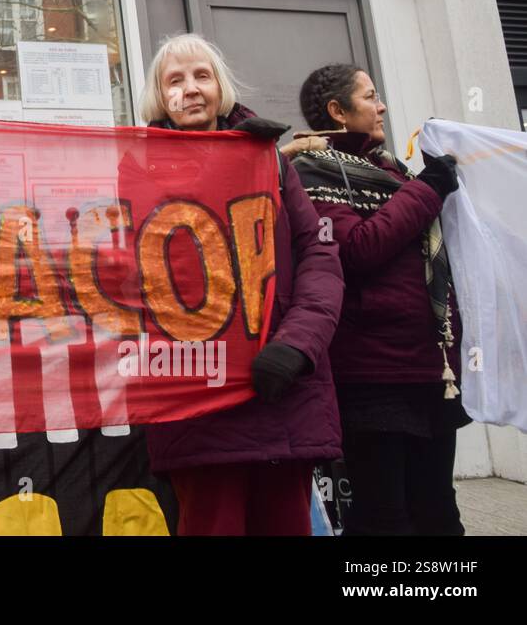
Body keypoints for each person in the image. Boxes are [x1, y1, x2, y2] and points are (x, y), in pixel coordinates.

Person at [136, 34, 344, 535]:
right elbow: (125, 278)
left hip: (280, 390)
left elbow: (319, 252)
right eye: (175, 81)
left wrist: (297, 345)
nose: (190, 89)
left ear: (221, 87)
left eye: (202, 76)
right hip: (194, 396)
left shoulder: (269, 162)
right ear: (159, 97)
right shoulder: (136, 168)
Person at [287, 64, 468, 535]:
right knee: (386, 517)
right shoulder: (311, 170)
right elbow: (358, 248)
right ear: (337, 111)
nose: (382, 105)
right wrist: (428, 189)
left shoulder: (391, 170)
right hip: (372, 374)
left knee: (439, 513)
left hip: (427, 369)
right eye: (370, 97)